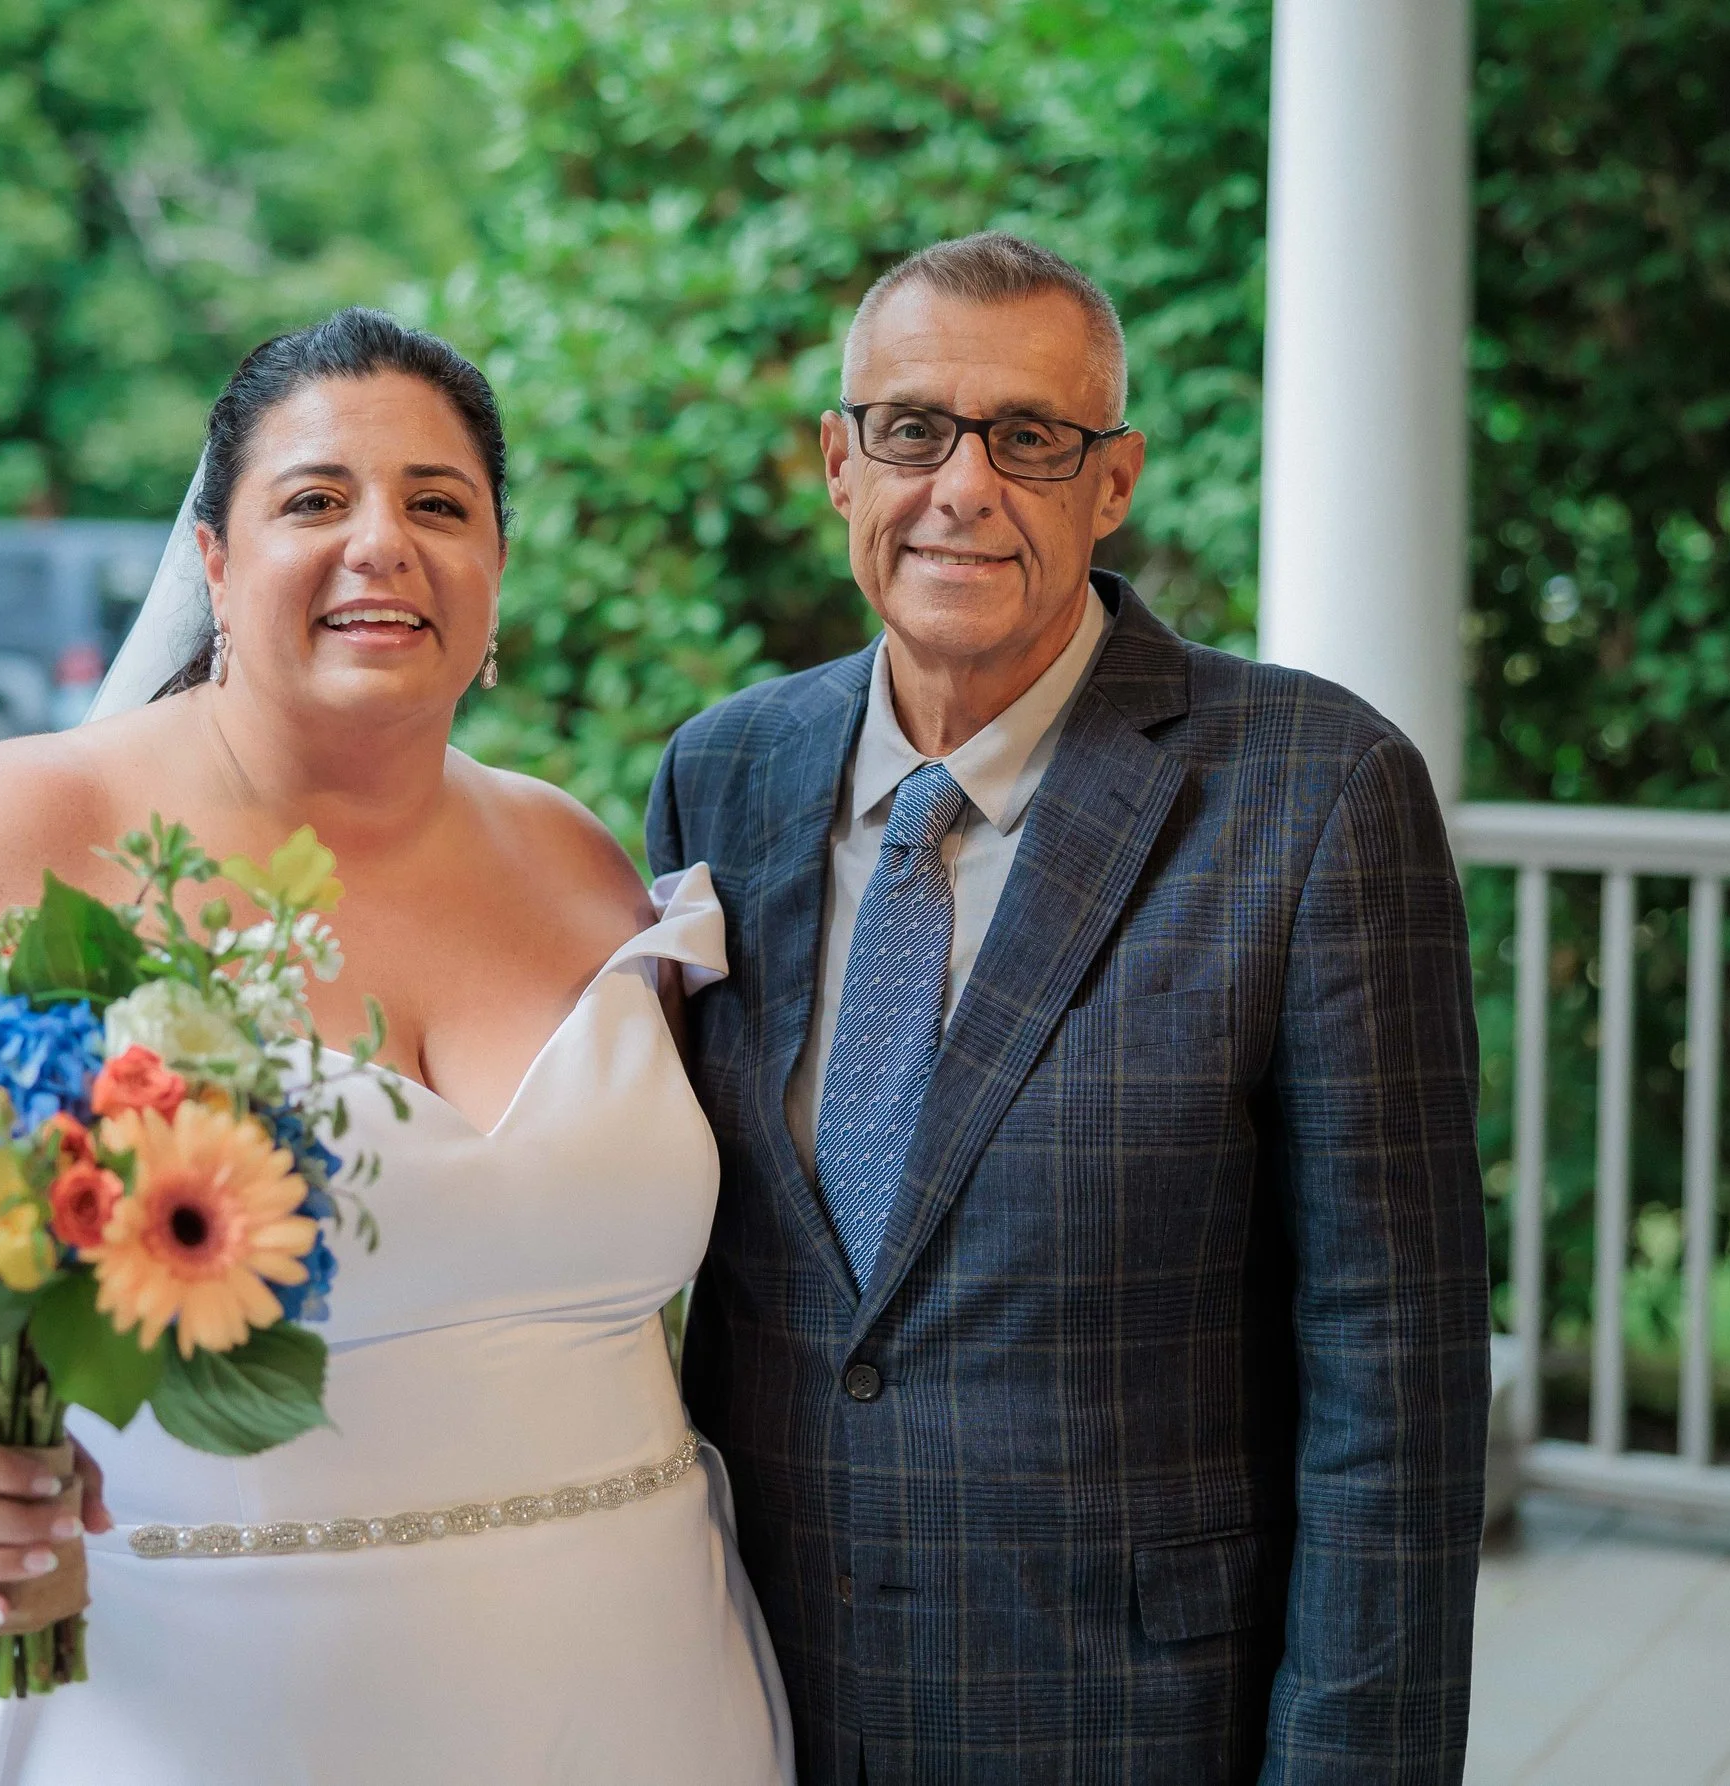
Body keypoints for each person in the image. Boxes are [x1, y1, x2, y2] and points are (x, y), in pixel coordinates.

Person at [0, 309, 791, 1784]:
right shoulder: (31, 823)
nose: (382, 542)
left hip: (628, 1694)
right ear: (212, 558)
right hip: (153, 1713)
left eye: (439, 504)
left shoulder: (576, 854)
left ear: (497, 569)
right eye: (315, 500)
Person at [647, 233, 1488, 1784]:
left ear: (1114, 483)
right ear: (839, 465)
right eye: (912, 429)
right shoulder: (725, 774)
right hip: (752, 1693)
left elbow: (1395, 1378)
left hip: (1132, 1719)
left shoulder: (1316, 791)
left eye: (1030, 438)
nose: (961, 485)